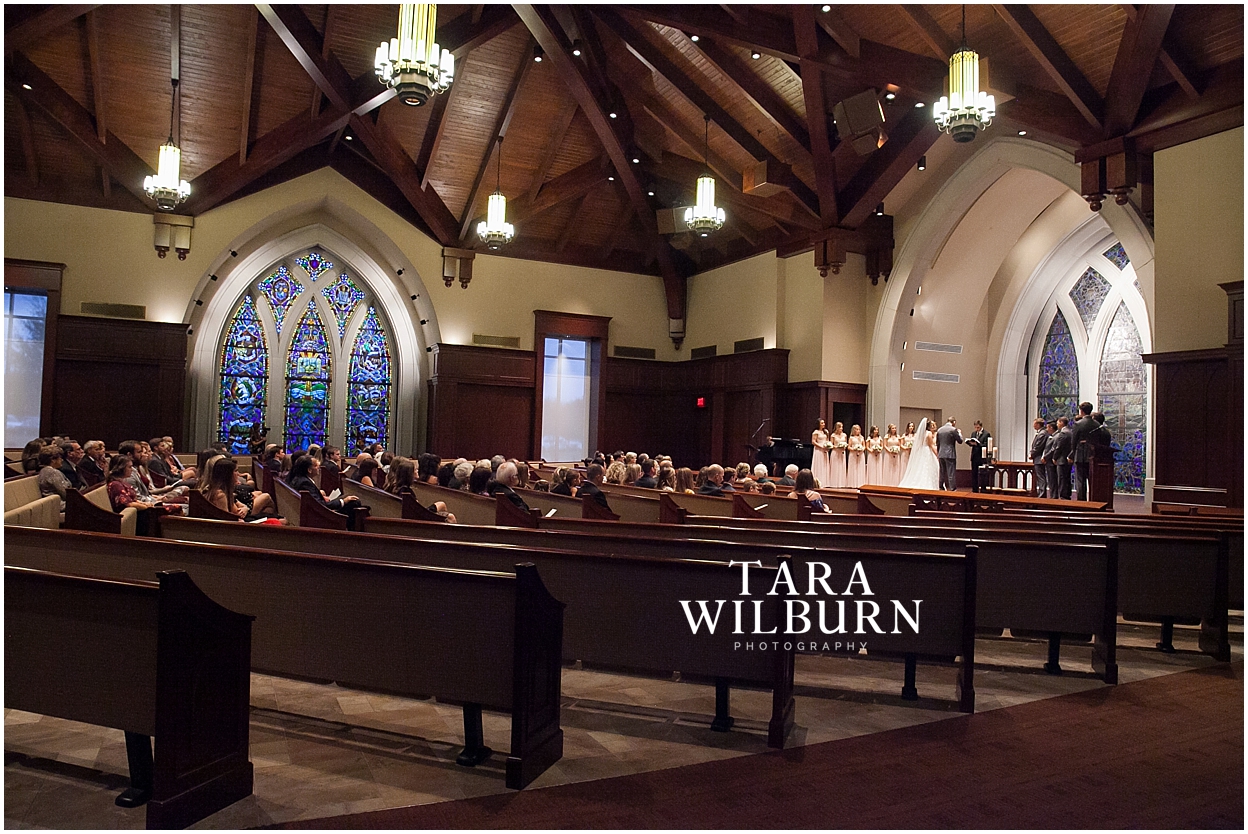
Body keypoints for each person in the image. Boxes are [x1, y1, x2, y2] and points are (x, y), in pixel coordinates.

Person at [203, 457, 274, 520]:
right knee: (279, 521)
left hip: (240, 518)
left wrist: (245, 508)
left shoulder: (223, 489)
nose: (238, 474)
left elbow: (238, 507)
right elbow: (225, 521)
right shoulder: (220, 495)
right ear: (227, 474)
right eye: (236, 471)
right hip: (235, 527)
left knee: (270, 512)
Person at [287, 454, 360, 513]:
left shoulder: (298, 478)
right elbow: (319, 505)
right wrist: (343, 501)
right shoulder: (305, 482)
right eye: (315, 466)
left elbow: (314, 499)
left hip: (316, 510)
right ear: (309, 470)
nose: (319, 467)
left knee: (349, 497)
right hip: (318, 515)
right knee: (353, 503)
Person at [898, 418, 940, 490]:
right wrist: (937, 454)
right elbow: (931, 445)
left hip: (921, 451)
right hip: (927, 450)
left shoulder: (921, 434)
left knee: (921, 467)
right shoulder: (929, 433)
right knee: (929, 468)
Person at [1069, 402, 1098, 501]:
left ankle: (1081, 501)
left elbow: (1074, 441)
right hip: (1093, 455)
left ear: (1081, 411)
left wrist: (1073, 454)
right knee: (1092, 479)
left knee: (1080, 480)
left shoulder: (1078, 424)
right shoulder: (1096, 424)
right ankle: (1094, 500)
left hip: (1080, 454)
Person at [935, 418, 963, 491]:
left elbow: (937, 443)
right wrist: (959, 433)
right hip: (950, 454)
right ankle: (952, 488)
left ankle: (940, 487)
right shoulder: (953, 430)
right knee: (951, 472)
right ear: (953, 422)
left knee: (942, 472)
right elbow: (960, 441)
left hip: (941, 453)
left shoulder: (940, 430)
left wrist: (938, 453)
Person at [968, 420, 991, 492]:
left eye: (978, 427)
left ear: (981, 426)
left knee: (983, 474)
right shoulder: (974, 434)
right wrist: (970, 443)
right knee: (974, 473)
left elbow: (986, 445)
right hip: (974, 456)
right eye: (975, 427)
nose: (976, 429)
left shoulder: (986, 434)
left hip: (982, 456)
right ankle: (974, 489)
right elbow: (972, 442)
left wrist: (978, 444)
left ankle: (983, 489)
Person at [1029, 418, 1049, 498]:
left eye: (1034, 424)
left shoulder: (1042, 433)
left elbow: (1038, 446)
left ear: (1038, 424)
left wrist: (1032, 454)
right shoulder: (1041, 433)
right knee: (1040, 477)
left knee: (1041, 478)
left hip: (1039, 459)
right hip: (1037, 458)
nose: (1033, 425)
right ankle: (1041, 493)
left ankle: (1042, 495)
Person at [810, 418, 832, 491]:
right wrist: (821, 446)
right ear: (818, 424)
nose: (824, 424)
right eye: (822, 423)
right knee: (819, 464)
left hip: (824, 450)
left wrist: (828, 446)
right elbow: (813, 442)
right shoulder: (816, 432)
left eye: (824, 423)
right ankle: (817, 482)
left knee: (825, 464)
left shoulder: (825, 432)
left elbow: (827, 440)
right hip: (818, 450)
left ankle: (825, 482)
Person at [828, 422, 848, 488]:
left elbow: (846, 444)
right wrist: (837, 447)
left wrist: (843, 447)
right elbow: (831, 445)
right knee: (835, 467)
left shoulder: (844, 435)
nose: (841, 428)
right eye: (840, 427)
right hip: (835, 452)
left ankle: (842, 483)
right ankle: (834, 483)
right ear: (837, 428)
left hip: (842, 453)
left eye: (842, 427)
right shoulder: (833, 435)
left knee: (841, 467)